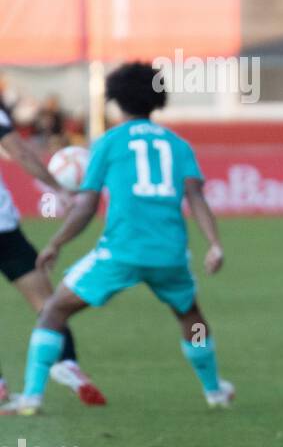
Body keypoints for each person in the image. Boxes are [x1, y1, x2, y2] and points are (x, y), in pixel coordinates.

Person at [2, 63, 231, 416]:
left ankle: (31, 396)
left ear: (114, 101)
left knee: (53, 311)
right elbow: (197, 199)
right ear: (157, 100)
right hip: (169, 254)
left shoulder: (108, 143)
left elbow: (87, 207)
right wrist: (214, 244)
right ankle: (214, 389)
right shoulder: (178, 145)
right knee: (192, 318)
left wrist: (57, 243)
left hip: (120, 252)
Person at [0, 103, 105, 408]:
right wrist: (58, 188)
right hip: (4, 226)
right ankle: (66, 361)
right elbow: (20, 152)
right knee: (46, 302)